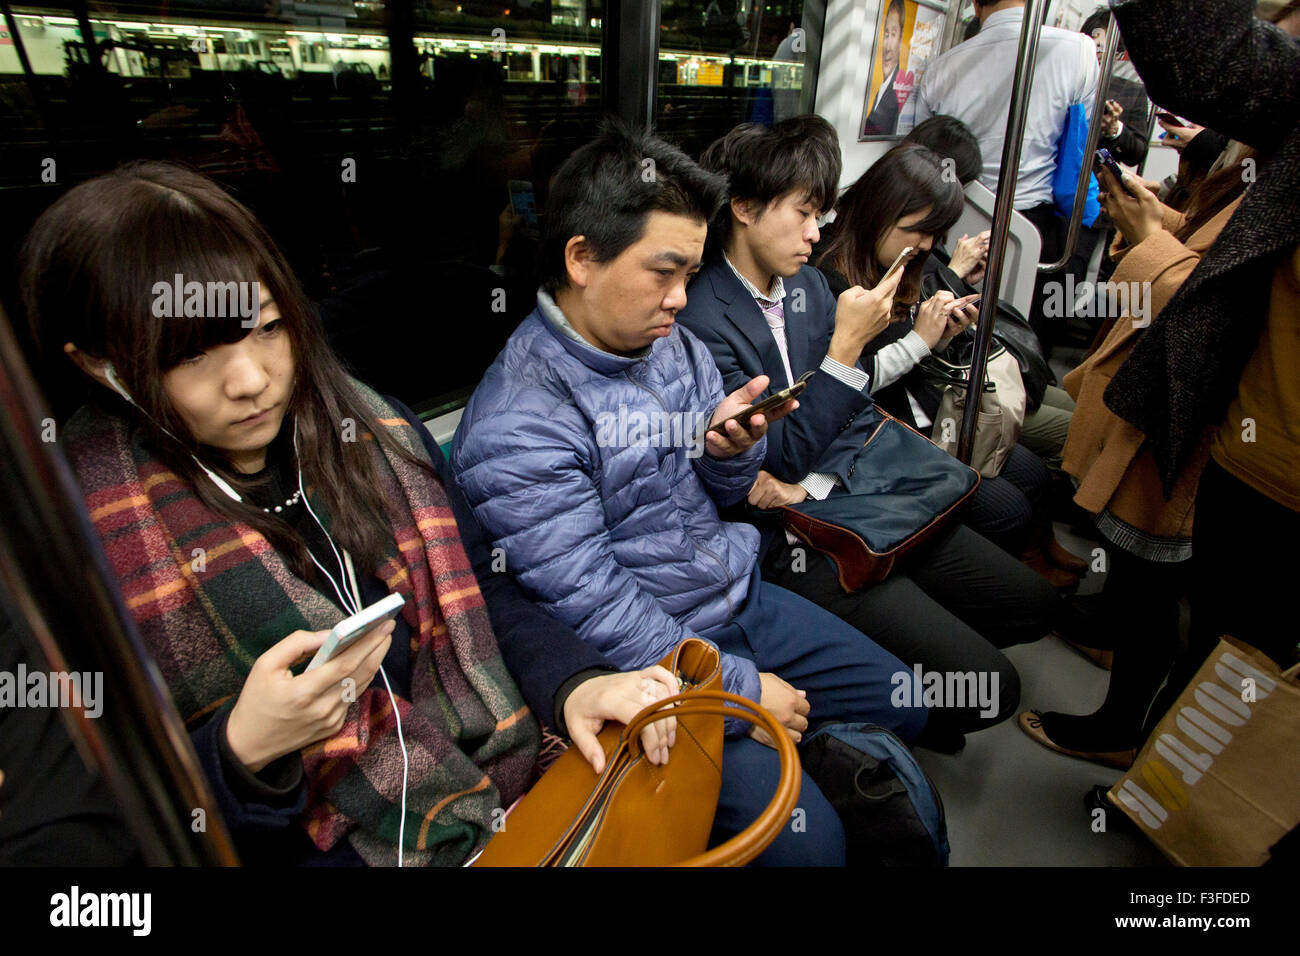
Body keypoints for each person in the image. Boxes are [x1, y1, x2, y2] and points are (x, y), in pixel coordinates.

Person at [20, 161, 688, 867]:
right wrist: (242, 750)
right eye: (191, 355)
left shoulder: (368, 429)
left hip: (500, 796)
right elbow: (74, 837)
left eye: (269, 329)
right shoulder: (76, 545)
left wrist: (575, 682)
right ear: (101, 365)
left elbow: (483, 587)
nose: (252, 381)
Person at [451, 122, 930, 865]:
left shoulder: (669, 342)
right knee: (812, 849)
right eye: (664, 272)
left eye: (691, 275)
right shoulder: (519, 424)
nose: (682, 300)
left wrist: (731, 450)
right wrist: (741, 692)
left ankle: (805, 768)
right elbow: (594, 603)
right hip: (652, 660)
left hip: (734, 589)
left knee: (909, 701)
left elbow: (723, 490)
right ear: (582, 258)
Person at [677, 116, 1064, 749]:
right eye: (803, 213)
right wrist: (845, 350)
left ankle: (919, 680)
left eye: (822, 214)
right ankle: (902, 712)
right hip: (790, 538)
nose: (816, 232)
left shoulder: (804, 286)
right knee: (992, 685)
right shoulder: (699, 316)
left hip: (839, 492)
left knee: (1033, 606)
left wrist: (817, 478)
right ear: (743, 208)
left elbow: (851, 417)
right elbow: (766, 458)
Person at [1019, 157, 1250, 767]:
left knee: (1155, 582)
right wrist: (1159, 220)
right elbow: (1219, 252)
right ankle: (1115, 663)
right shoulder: (1256, 173)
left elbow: (1215, 304)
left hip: (1190, 416)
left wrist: (1150, 238)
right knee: (1136, 571)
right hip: (1166, 401)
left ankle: (1125, 730)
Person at [1102, 0, 1300, 709]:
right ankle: (1160, 802)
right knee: (1221, 659)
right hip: (1250, 451)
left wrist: (1150, 239)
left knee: (1244, 681)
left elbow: (1200, 283)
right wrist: (1162, 225)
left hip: (1266, 455)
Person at [813, 143, 1083, 587]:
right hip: (879, 427)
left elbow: (910, 353)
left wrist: (941, 336)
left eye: (933, 236)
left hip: (921, 405)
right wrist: (922, 339)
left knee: (1031, 473)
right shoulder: (829, 276)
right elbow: (851, 379)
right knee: (1005, 506)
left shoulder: (903, 264)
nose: (924, 246)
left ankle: (1033, 558)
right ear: (877, 210)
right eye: (916, 231)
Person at [913, 0, 1099, 356]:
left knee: (953, 333)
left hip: (956, 220)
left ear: (974, 3)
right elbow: (1078, 145)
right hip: (1036, 223)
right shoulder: (1077, 51)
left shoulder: (942, 68)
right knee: (1024, 346)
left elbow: (925, 151)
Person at [863, 0, 906, 136]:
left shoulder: (896, 94)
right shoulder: (881, 88)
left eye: (893, 34)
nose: (887, 47)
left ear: (901, 39)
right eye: (886, 34)